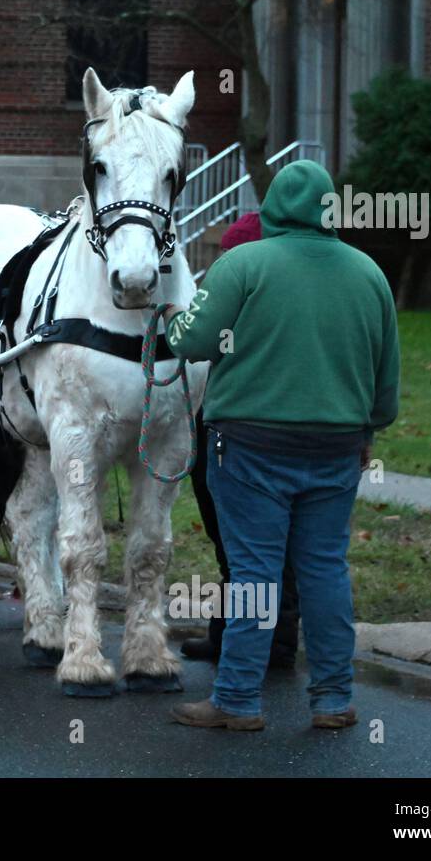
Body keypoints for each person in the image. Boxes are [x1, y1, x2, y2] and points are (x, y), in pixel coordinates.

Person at [163, 160, 400, 732]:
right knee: (324, 570)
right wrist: (367, 426)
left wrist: (170, 318)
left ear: (270, 209)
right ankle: (334, 699)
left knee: (254, 576)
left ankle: (238, 701)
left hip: (249, 446)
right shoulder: (368, 274)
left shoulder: (243, 263)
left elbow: (189, 341)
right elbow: (385, 383)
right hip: (338, 447)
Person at [181, 211, 300, 670]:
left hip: (239, 431)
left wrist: (176, 320)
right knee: (248, 543)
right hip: (263, 428)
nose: (221, 268)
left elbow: (194, 341)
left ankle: (262, 649)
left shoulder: (249, 293)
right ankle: (253, 636)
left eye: (229, 257)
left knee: (249, 545)